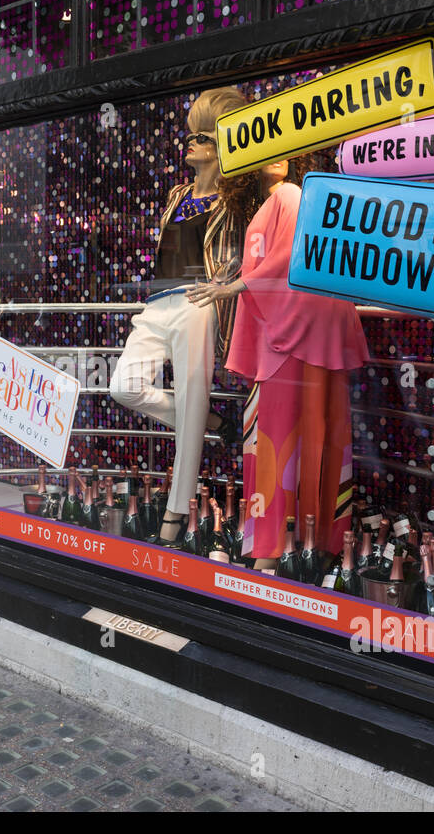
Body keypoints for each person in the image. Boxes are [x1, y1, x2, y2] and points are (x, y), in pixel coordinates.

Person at [189, 155, 369, 568]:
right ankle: (310, 545)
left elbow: (293, 253)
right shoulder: (273, 203)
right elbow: (280, 259)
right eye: (265, 150)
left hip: (293, 333)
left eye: (283, 147)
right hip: (296, 330)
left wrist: (236, 286)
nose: (277, 156)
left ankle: (274, 549)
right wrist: (235, 281)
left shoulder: (290, 194)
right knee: (307, 435)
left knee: (277, 438)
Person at [109, 87, 251, 546]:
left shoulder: (231, 202)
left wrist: (225, 283)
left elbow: (245, 251)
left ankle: (173, 519)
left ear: (221, 147)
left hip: (196, 303)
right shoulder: (178, 194)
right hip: (156, 302)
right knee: (124, 386)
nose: (190, 144)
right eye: (190, 136)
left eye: (202, 137)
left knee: (191, 402)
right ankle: (206, 420)